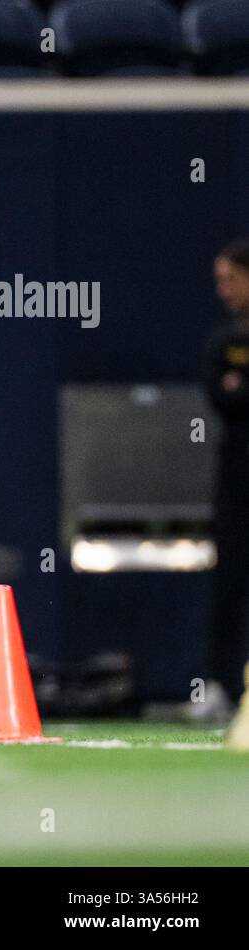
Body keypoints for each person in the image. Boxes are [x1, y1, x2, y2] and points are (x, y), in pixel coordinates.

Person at [199, 239, 249, 715]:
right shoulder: (224, 339)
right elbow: (221, 394)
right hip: (236, 472)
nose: (223, 289)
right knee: (230, 578)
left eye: (230, 279)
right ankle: (221, 686)